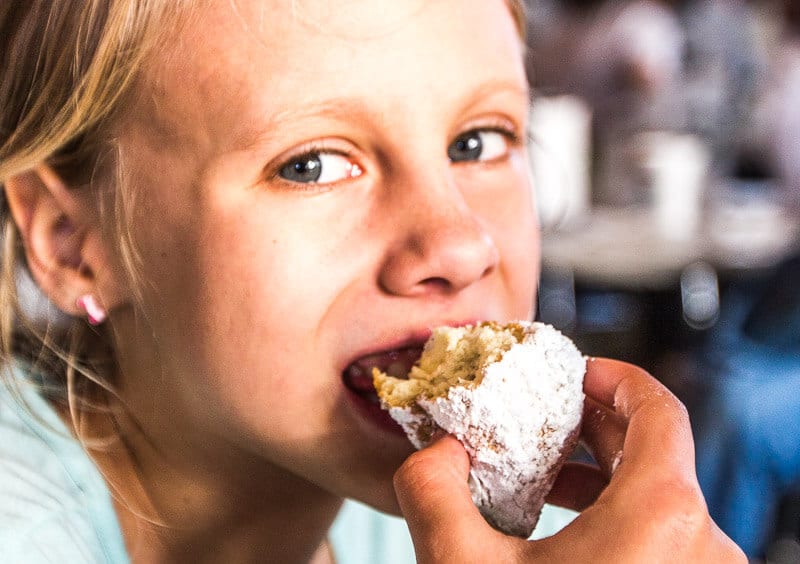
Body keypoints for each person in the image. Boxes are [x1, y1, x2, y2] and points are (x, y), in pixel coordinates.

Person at [0, 1, 743, 562]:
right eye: (311, 164)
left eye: (477, 142)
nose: (460, 244)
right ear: (73, 244)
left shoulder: (538, 534)